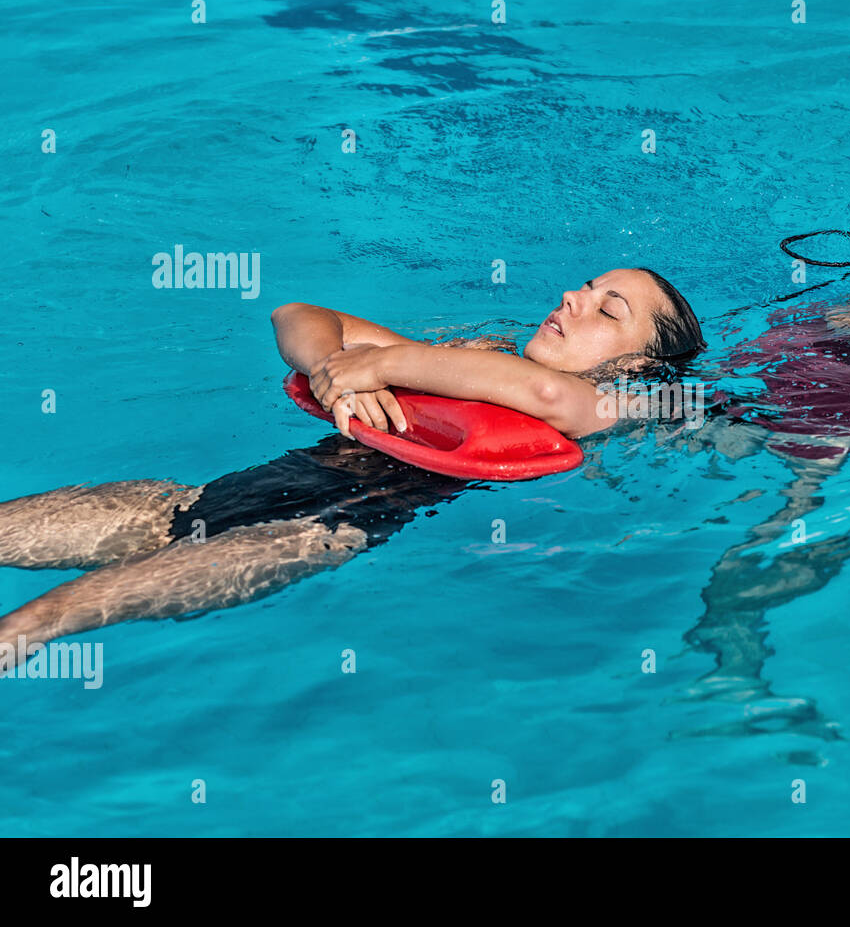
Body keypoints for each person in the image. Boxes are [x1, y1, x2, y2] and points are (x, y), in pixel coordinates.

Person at [0, 268, 704, 670]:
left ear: (638, 362)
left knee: (40, 619)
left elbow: (549, 396)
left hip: (319, 528)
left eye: (605, 310)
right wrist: (332, 371)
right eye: (585, 285)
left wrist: (386, 362)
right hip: (202, 498)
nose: (572, 298)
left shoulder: (619, 401)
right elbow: (297, 312)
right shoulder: (475, 359)